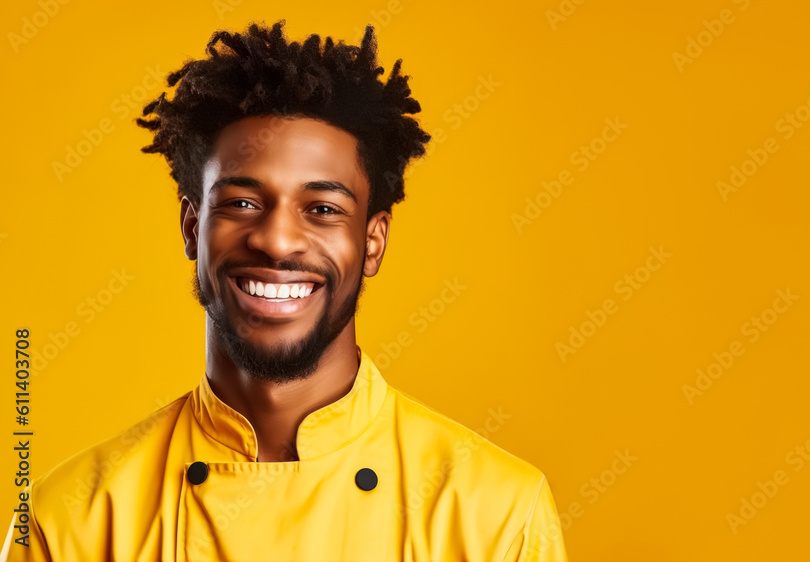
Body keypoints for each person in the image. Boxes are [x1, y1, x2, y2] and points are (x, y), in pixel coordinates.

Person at [1, 20, 567, 561]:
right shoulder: (68, 520)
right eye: (242, 202)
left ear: (371, 242)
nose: (275, 240)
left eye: (321, 209)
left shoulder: (498, 514)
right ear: (192, 228)